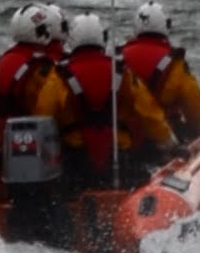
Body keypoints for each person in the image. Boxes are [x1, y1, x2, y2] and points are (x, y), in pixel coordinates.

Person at [60, 14, 180, 187]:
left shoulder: (59, 76)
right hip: (118, 158)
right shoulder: (120, 72)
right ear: (103, 38)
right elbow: (149, 112)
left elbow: (43, 111)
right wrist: (170, 144)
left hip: (76, 161)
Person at [0, 1, 64, 169]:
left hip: (1, 139)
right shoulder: (43, 67)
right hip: (33, 142)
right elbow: (48, 108)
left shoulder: (2, 62)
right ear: (41, 32)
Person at [120, 0, 200, 140]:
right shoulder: (174, 63)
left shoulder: (118, 59)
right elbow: (195, 108)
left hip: (125, 139)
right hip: (163, 136)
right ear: (165, 25)